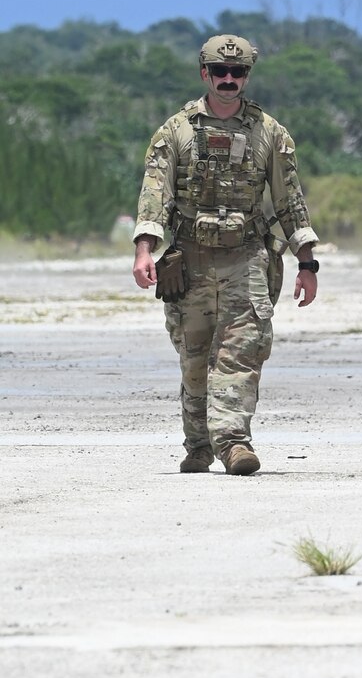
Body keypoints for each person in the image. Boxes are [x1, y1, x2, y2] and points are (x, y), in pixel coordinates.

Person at [130, 33, 320, 474]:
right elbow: (154, 194)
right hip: (190, 258)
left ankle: (234, 443)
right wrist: (145, 249)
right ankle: (198, 444)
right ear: (205, 73)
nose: (229, 79)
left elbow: (290, 200)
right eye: (220, 72)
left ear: (247, 76)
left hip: (247, 256)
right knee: (194, 355)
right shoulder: (175, 131)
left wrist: (307, 262)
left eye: (238, 72)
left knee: (241, 351)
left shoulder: (270, 133)